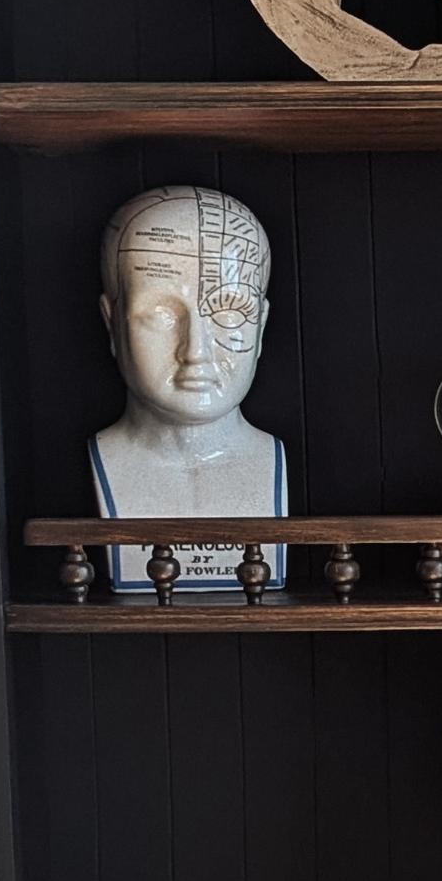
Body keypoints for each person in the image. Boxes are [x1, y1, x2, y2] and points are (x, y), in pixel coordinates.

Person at [90, 186, 287, 591]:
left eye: (231, 311)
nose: (195, 351)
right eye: (161, 314)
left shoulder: (273, 460)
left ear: (262, 326)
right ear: (112, 324)